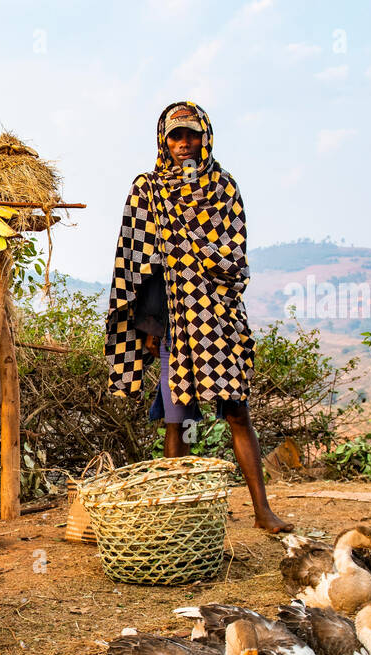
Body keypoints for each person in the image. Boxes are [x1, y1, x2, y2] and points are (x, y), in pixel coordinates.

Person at [105, 101, 292, 533]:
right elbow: (138, 265)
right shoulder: (147, 189)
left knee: (237, 413)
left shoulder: (224, 187)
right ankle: (177, 517)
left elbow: (234, 252)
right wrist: (151, 328)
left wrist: (198, 260)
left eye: (191, 134)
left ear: (205, 136)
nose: (183, 143)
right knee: (178, 419)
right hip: (173, 320)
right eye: (175, 135)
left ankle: (262, 512)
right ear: (162, 140)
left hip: (218, 319)